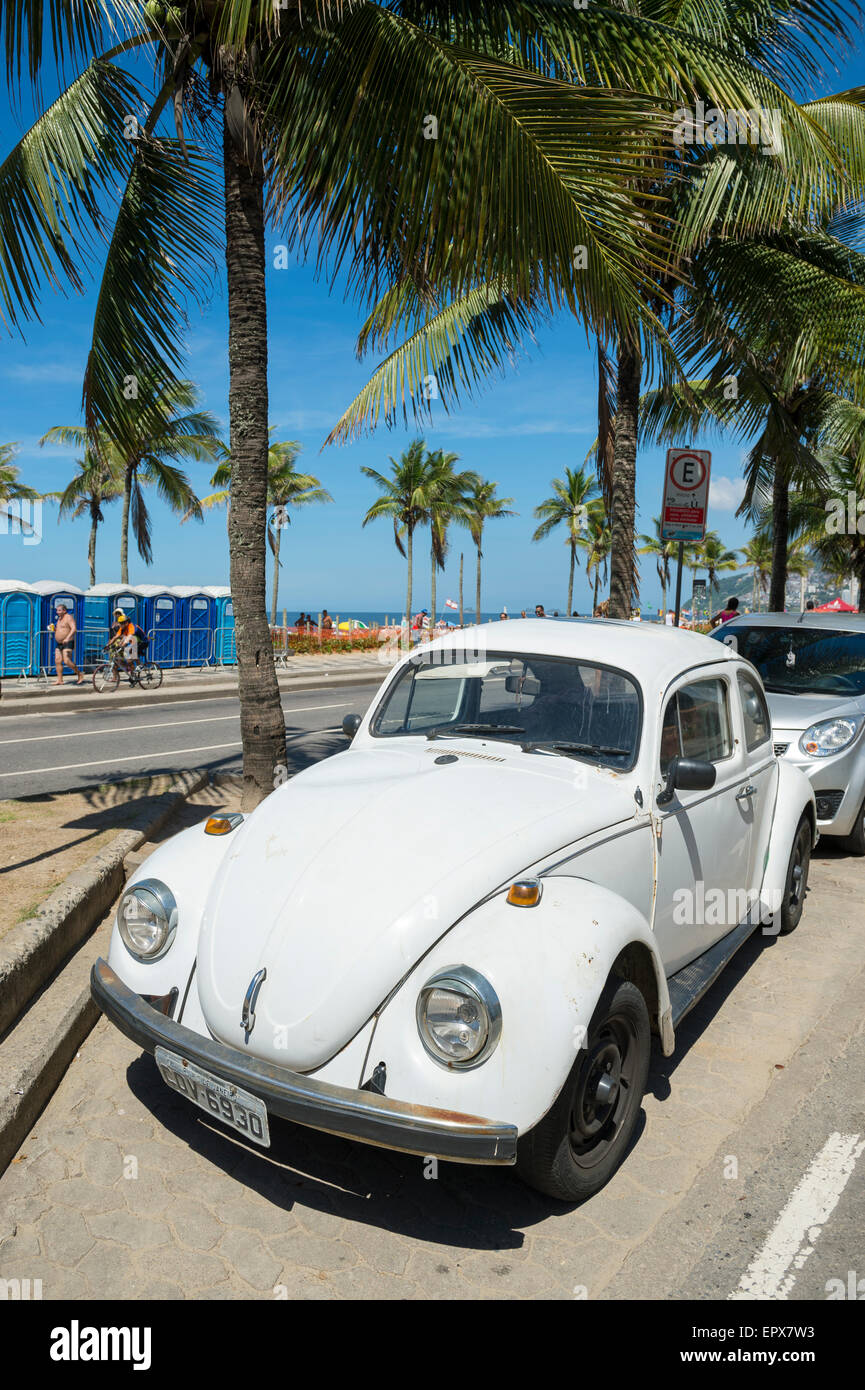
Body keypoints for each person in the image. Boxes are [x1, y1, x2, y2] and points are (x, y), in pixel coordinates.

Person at [52, 603, 83, 685]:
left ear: (64, 610)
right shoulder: (59, 619)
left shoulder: (68, 617)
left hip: (68, 642)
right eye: (57, 610)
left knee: (66, 660)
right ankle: (60, 680)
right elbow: (60, 630)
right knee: (57, 660)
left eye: (59, 610)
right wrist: (54, 630)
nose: (57, 612)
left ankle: (79, 673)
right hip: (59, 643)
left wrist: (67, 638)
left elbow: (74, 628)